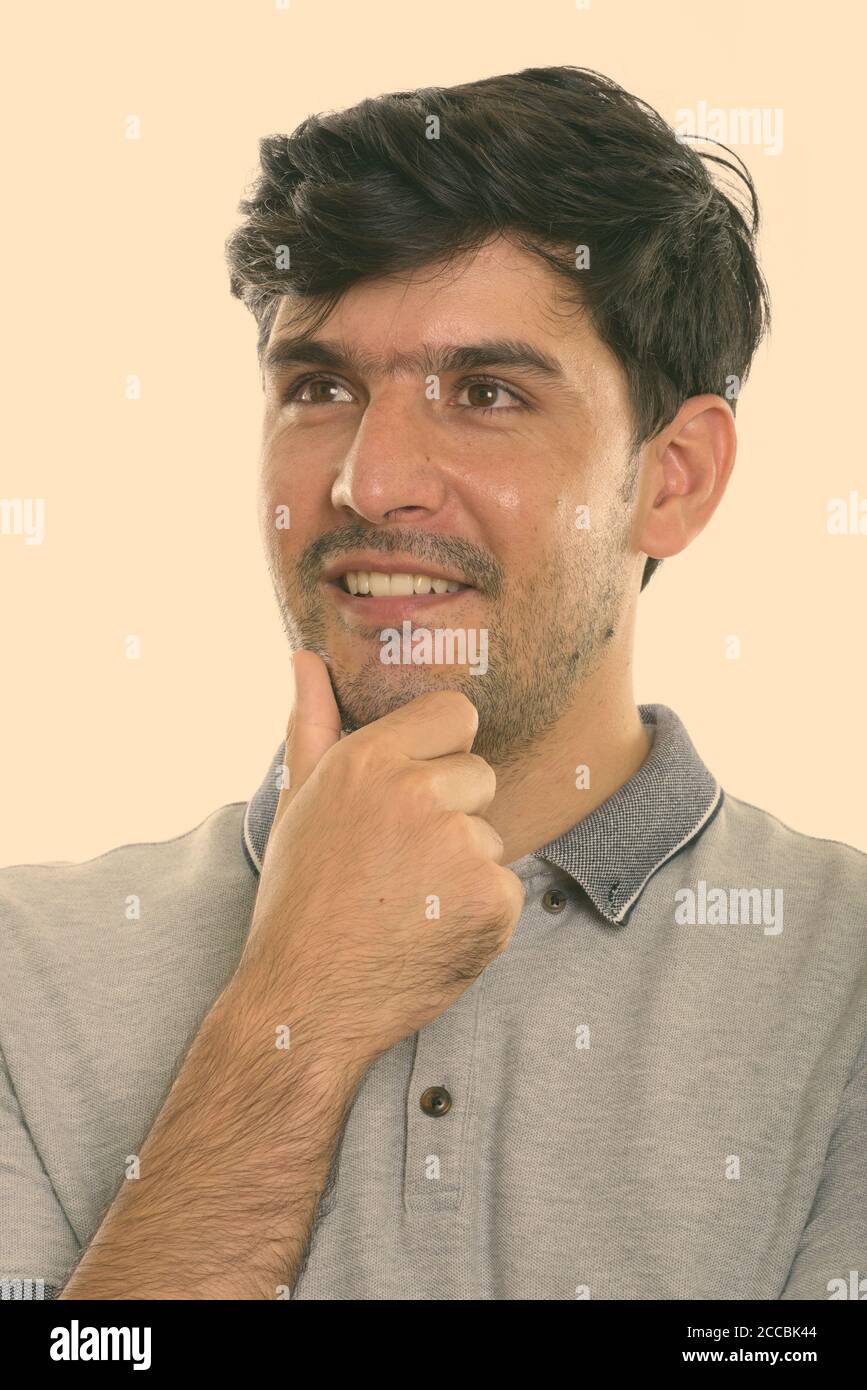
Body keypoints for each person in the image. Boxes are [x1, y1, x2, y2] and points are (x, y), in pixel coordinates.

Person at [2, 66, 864, 1302]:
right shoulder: (23, 973)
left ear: (673, 478)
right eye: (322, 387)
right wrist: (293, 1004)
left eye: (486, 392)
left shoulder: (846, 980)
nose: (371, 478)